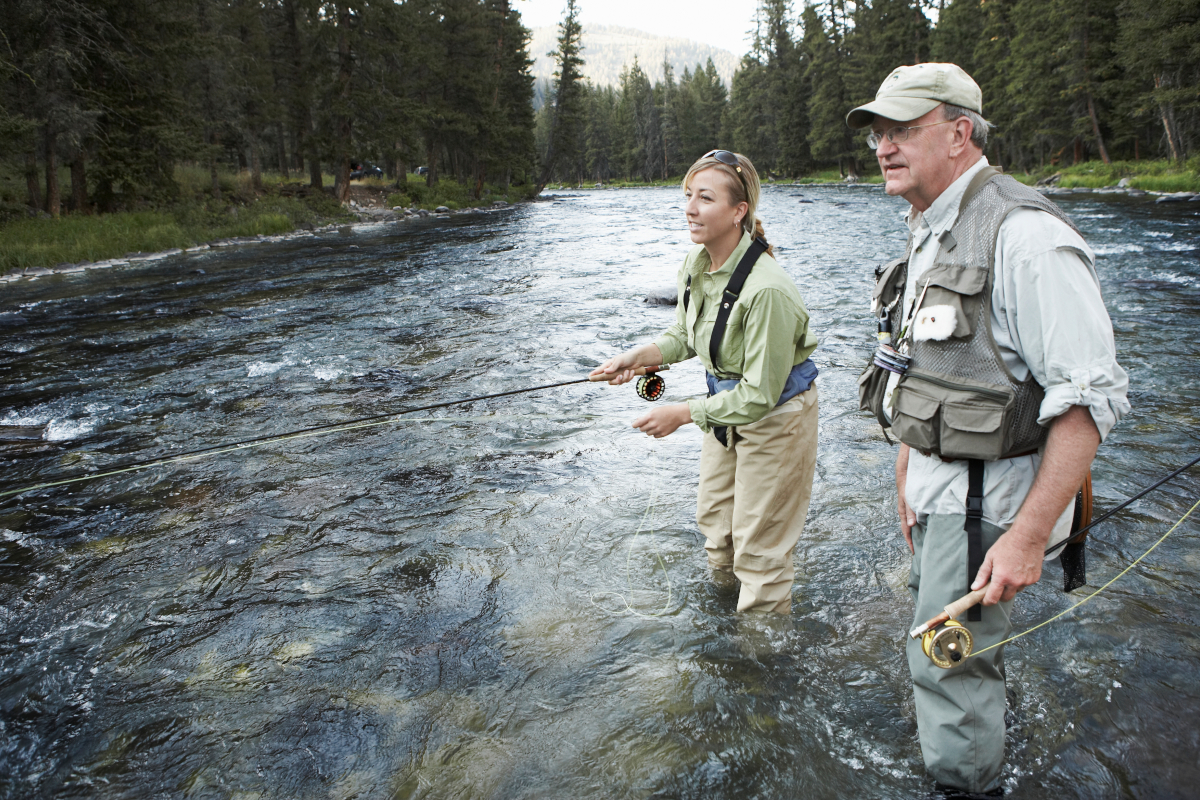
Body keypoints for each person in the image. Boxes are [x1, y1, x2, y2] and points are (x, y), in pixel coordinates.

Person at [848, 63, 1130, 796]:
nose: (883, 146)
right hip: (940, 491)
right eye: (878, 132)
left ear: (960, 132)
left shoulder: (1026, 236)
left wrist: (1030, 535)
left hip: (989, 503)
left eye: (903, 129)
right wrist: (907, 469)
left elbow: (1088, 402)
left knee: (948, 665)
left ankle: (965, 785)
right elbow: (932, 366)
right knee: (946, 653)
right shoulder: (929, 225)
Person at [591, 150, 820, 614]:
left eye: (706, 198)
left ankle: (760, 663)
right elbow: (686, 334)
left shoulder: (768, 290)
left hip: (777, 416)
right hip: (725, 408)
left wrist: (682, 414)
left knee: (760, 555)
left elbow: (759, 394)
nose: (691, 209)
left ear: (739, 212)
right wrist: (639, 356)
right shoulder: (697, 264)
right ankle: (721, 623)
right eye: (689, 196)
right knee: (718, 534)